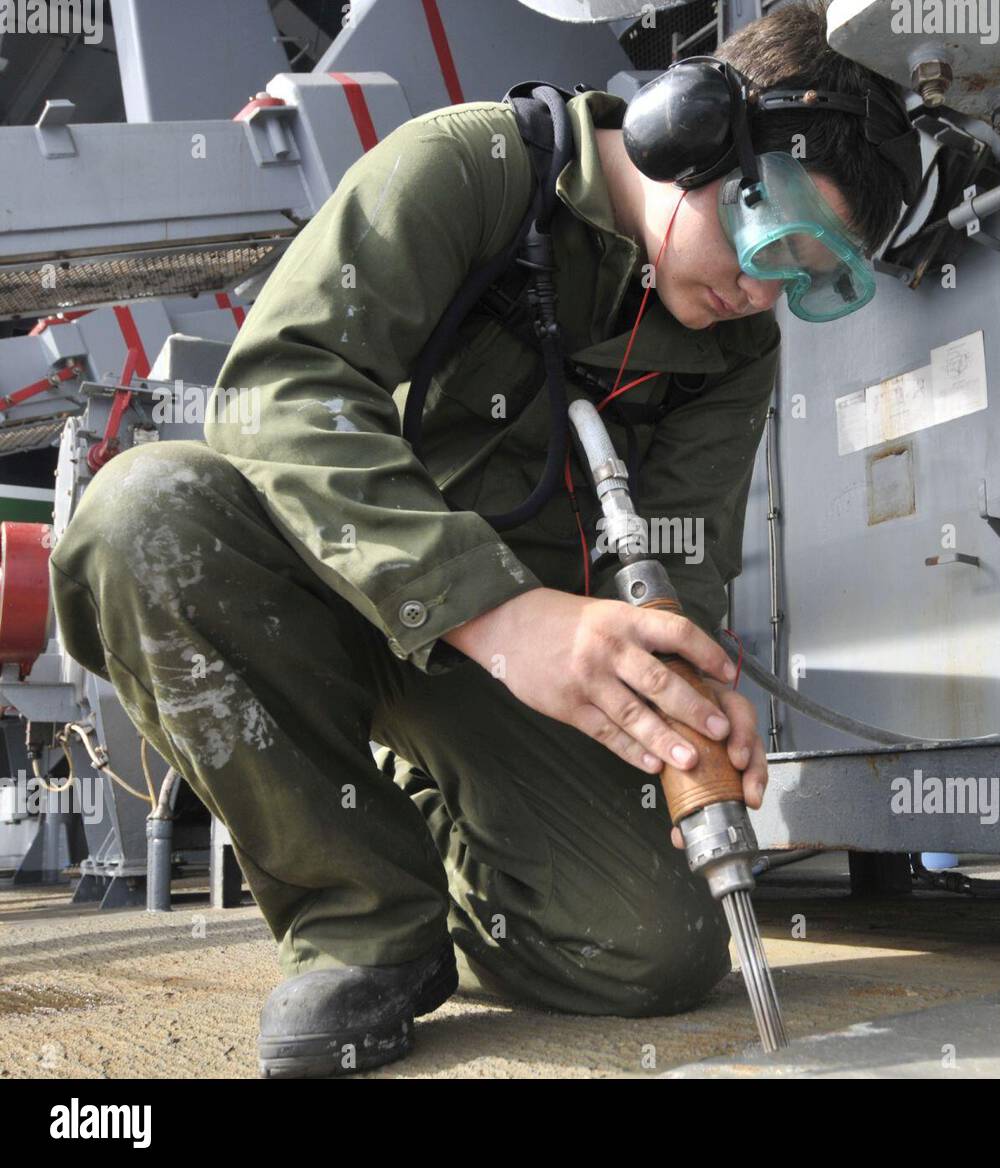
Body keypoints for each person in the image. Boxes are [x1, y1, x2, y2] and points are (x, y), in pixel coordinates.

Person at [48, 0, 913, 1077]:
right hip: (345, 596)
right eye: (764, 239)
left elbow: (680, 567)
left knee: (648, 952)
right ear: (694, 132)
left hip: (522, 669)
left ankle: (433, 813)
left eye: (801, 276)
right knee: (145, 516)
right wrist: (498, 613)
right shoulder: (471, 169)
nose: (758, 289)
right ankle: (367, 929)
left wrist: (682, 701)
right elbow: (281, 391)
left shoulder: (732, 346)